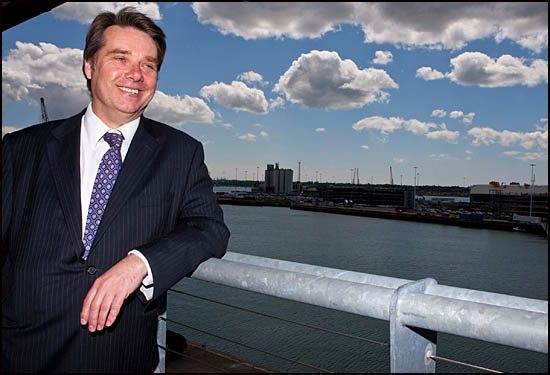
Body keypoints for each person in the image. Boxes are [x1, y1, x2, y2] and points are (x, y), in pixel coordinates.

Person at [2, 7, 230, 372]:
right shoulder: (20, 150)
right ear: (89, 66)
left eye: (149, 65)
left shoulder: (181, 153)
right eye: (120, 58)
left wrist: (140, 263)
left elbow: (209, 228)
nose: (136, 75)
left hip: (121, 358)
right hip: (24, 353)